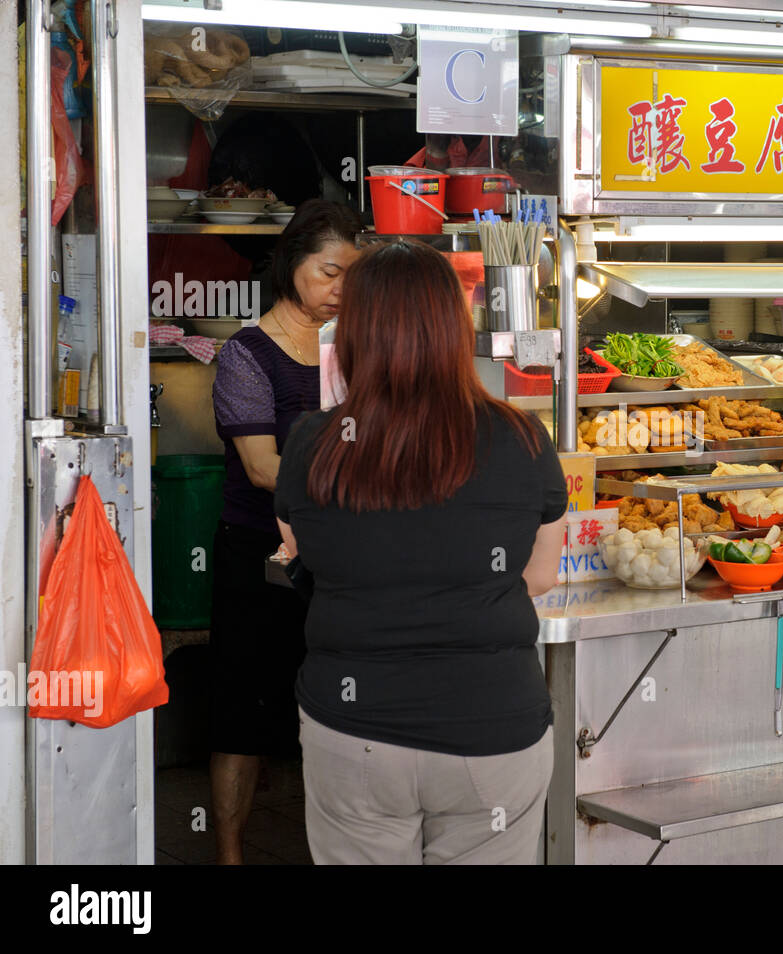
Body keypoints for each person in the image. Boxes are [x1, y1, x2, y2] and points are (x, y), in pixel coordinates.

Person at [273, 241, 567, 865]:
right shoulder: (521, 437)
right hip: (492, 733)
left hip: (355, 739)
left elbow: (297, 558)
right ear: (454, 331)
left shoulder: (315, 442)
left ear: (355, 334)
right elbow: (539, 576)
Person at [208, 200, 363, 864]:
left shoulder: (349, 348)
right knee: (243, 712)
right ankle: (231, 853)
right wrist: (356, 480)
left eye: (353, 278)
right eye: (331, 273)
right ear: (293, 261)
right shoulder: (246, 355)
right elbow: (262, 465)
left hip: (336, 556)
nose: (341, 291)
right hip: (257, 553)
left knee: (332, 708)